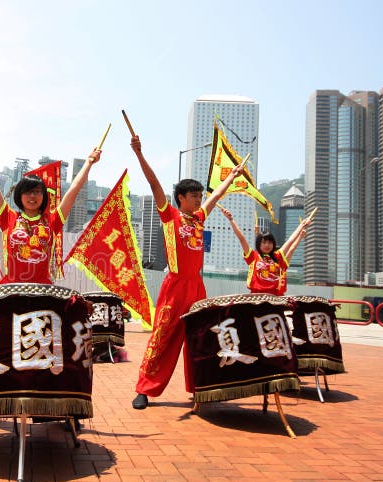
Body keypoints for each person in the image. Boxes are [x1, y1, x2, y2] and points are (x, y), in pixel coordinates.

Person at [131, 134, 246, 410]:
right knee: (163, 336)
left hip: (197, 287)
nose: (199, 200)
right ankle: (144, 389)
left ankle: (201, 388)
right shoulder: (169, 216)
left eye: (200, 196)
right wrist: (139, 154)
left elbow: (217, 193)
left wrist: (233, 175)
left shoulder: (201, 217)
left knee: (200, 338)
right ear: (181, 198)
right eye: (194, 196)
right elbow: (154, 183)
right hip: (175, 286)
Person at [0, 139, 100, 283]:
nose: (32, 196)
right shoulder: (8, 217)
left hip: (43, 290)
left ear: (43, 196)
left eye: (37, 192)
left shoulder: (53, 220)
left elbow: (74, 189)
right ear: (19, 195)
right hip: (12, 289)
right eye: (27, 192)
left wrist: (88, 162)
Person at [221, 206, 311, 295]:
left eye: (270, 242)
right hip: (256, 297)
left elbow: (290, 242)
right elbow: (242, 238)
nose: (267, 245)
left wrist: (302, 225)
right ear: (259, 244)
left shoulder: (278, 256)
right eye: (264, 242)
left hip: (275, 297)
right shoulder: (253, 256)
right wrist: (231, 219)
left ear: (273, 244)